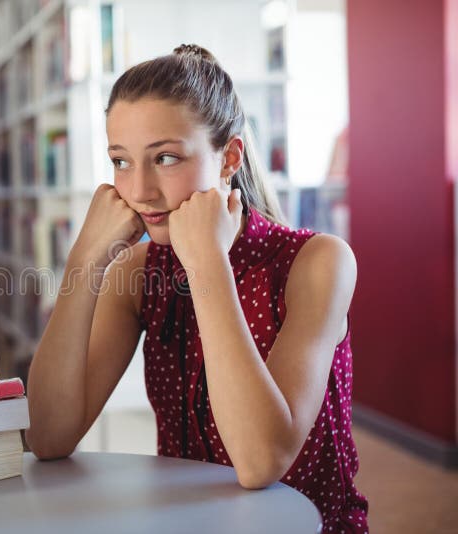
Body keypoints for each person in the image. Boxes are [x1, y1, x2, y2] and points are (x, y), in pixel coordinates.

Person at [25, 44, 369, 533]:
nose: (139, 190)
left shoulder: (317, 262)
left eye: (165, 157)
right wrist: (84, 262)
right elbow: (47, 436)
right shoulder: (139, 272)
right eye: (120, 161)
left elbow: (259, 462)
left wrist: (206, 263)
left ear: (228, 157)